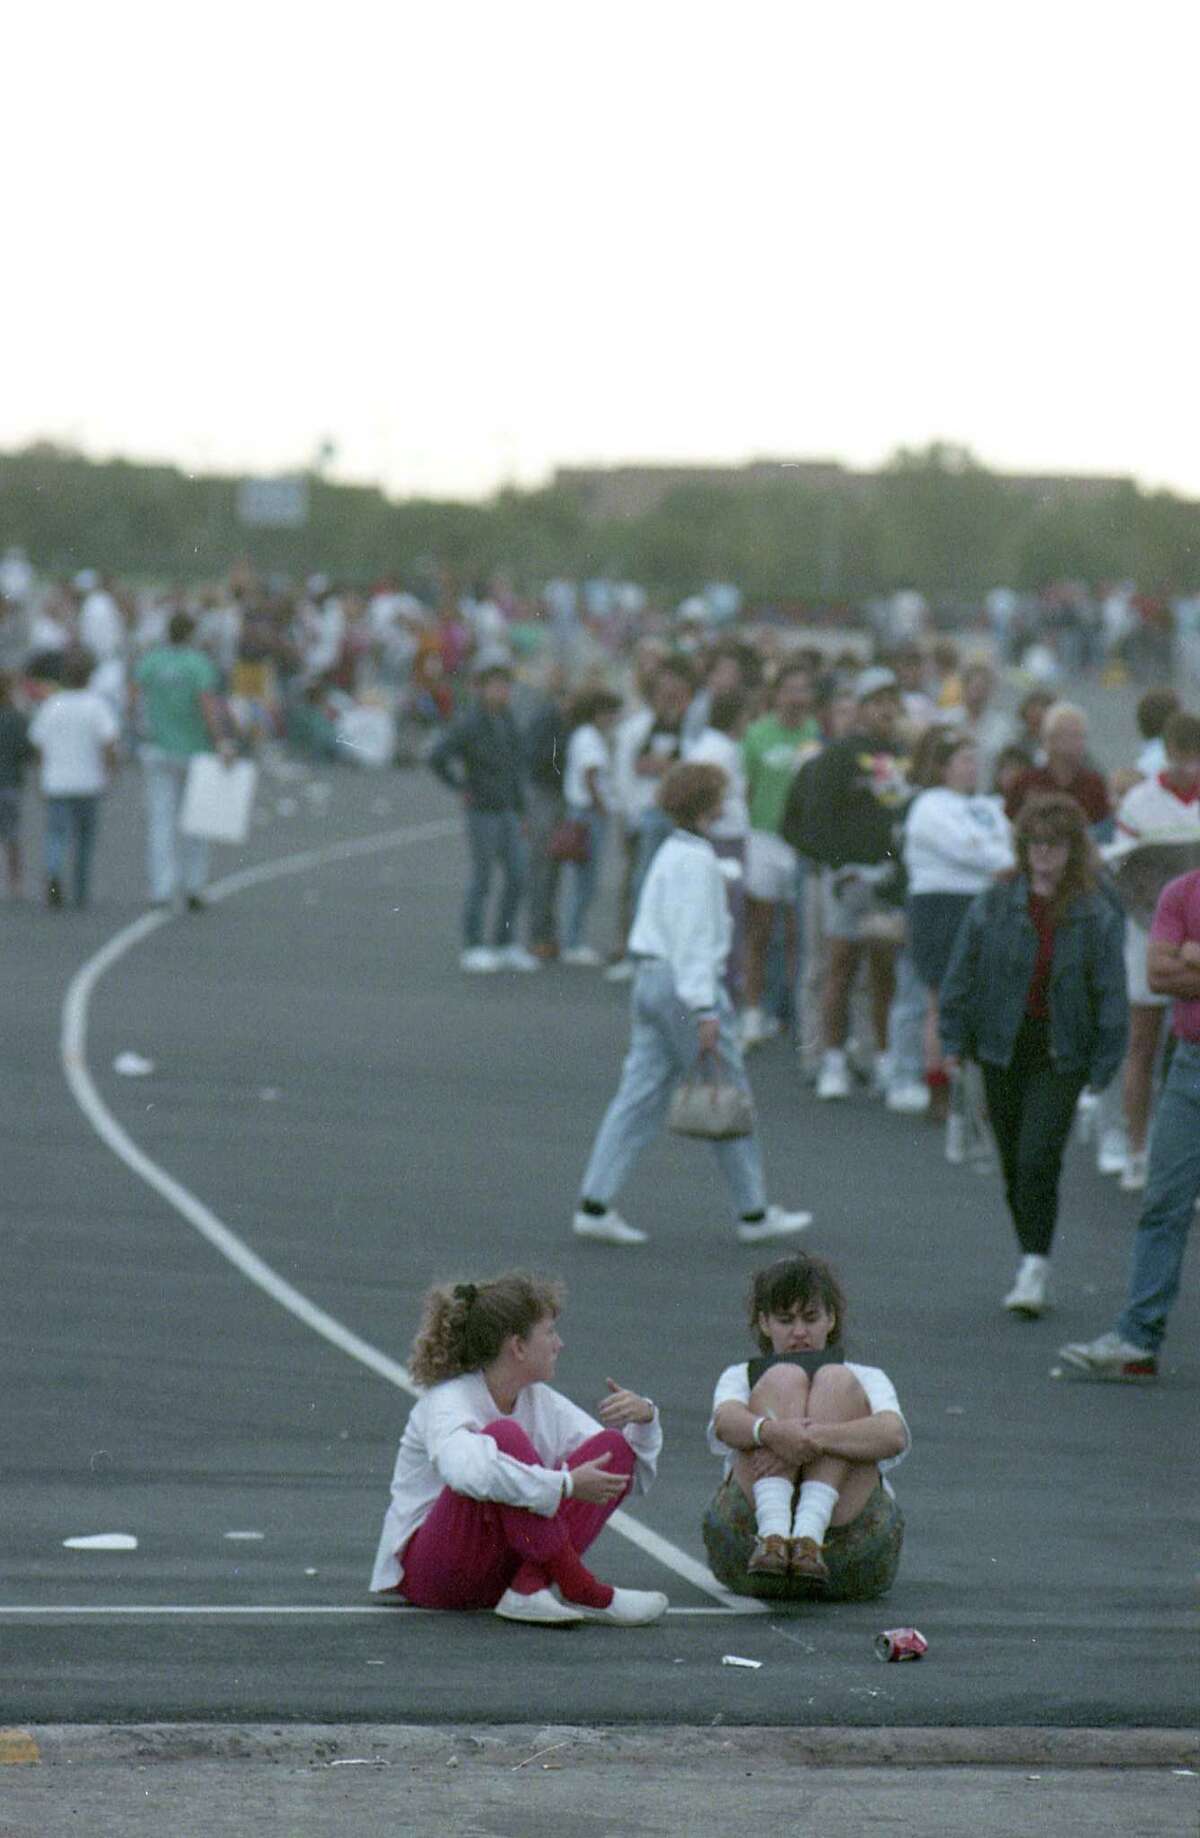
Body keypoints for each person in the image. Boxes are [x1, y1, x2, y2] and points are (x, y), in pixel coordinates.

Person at [573, 762, 812, 1247]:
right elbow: (695, 941)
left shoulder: (672, 852)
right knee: (727, 1090)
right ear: (708, 806)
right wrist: (705, 1008)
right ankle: (753, 1211)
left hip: (651, 979)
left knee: (638, 1094)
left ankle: (595, 1201)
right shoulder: (698, 862)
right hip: (684, 987)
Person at [368, 1273, 667, 1625]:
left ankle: (528, 1588)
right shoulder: (448, 1401)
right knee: (504, 1439)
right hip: (436, 1577)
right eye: (550, 1332)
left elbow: (623, 1477)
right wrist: (564, 1484)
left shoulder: (543, 1403)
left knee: (614, 1447)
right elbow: (467, 1474)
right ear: (518, 1347)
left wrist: (645, 1420)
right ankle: (582, 1588)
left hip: (495, 1578)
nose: (560, 1344)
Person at [939, 794, 1128, 1318]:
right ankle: (1030, 1254)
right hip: (1000, 1046)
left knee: (1036, 1158)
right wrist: (952, 1041)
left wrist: (1105, 1064)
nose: (1044, 855)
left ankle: (1035, 1265)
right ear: (1023, 847)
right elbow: (963, 969)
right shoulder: (997, 899)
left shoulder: (1096, 907)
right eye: (1035, 844)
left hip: (1061, 1050)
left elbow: (1112, 988)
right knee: (1011, 1162)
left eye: (1055, 845)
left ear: (1073, 850)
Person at [1059, 868, 1200, 1381]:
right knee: (1164, 1202)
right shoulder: (1181, 891)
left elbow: (1174, 968)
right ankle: (1138, 1337)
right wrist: (1180, 959)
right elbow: (1158, 975)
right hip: (1190, 1065)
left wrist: (1193, 955)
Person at [702, 1253, 909, 1598]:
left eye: (811, 1318)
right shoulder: (738, 1375)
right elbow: (726, 1424)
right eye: (785, 1320)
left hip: (850, 1555)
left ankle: (809, 1540)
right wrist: (771, 1433)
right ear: (764, 1323)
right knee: (782, 1376)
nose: (800, 1333)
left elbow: (893, 1434)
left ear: (831, 1319)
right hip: (747, 1554)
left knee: (835, 1381)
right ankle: (773, 1537)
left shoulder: (866, 1377)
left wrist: (807, 1440)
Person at [782, 667, 911, 1100]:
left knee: (883, 974)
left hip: (890, 881)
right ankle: (833, 1060)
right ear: (862, 708)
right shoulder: (838, 756)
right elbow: (814, 817)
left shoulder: (904, 755)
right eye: (877, 703)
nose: (886, 711)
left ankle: (884, 1061)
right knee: (840, 967)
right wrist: (838, 865)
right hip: (848, 879)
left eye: (893, 703)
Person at [1105, 711, 1200, 1190]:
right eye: (1181, 762)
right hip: (1150, 928)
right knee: (1142, 1042)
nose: (1189, 772)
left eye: (1195, 762)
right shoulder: (1141, 800)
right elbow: (1124, 869)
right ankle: (1136, 1148)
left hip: (1197, 935)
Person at [902, 732, 1014, 1109]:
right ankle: (938, 1082)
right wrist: (998, 861)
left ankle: (972, 1082)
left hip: (986, 903)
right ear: (943, 766)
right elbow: (963, 847)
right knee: (942, 997)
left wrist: (997, 859)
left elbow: (1003, 844)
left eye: (974, 759)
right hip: (941, 906)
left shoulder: (987, 806)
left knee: (983, 995)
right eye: (963, 760)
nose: (972, 767)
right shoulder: (929, 805)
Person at [429, 661, 537, 973]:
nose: (502, 692)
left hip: (508, 810)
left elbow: (516, 768)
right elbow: (438, 757)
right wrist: (461, 786)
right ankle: (473, 943)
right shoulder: (471, 723)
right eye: (496, 685)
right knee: (483, 877)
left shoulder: (507, 719)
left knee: (517, 875)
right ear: (482, 688)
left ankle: (505, 941)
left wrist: (521, 810)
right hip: (483, 811)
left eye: (505, 686)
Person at [739, 663, 821, 1048]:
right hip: (764, 838)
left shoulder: (815, 734)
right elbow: (747, 788)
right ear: (776, 694)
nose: (795, 697)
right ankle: (754, 1013)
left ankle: (790, 1014)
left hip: (800, 842)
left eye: (802, 689)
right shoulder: (757, 734)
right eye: (789, 688)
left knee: (795, 934)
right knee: (759, 931)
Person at [132, 611, 232, 912]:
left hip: (158, 747)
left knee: (161, 820)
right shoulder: (199, 664)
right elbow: (207, 705)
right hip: (194, 748)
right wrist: (221, 741)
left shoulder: (151, 661)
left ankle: (161, 888)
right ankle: (194, 884)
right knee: (197, 820)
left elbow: (133, 696)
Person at [28, 647, 119, 909]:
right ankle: (80, 889)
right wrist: (110, 770)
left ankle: (54, 876)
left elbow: (38, 742)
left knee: (55, 834)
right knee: (85, 839)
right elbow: (109, 741)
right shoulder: (97, 705)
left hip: (57, 781)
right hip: (88, 781)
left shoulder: (52, 704)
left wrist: (42, 772)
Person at [559, 689, 623, 966]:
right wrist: (601, 807)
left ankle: (573, 938)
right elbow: (590, 775)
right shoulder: (589, 738)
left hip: (584, 811)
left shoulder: (586, 735)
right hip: (588, 813)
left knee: (583, 880)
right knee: (585, 881)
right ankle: (572, 941)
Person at [1004, 702, 1110, 830]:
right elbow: (1009, 826)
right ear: (1049, 739)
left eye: (1081, 736)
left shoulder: (1094, 784)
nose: (1079, 743)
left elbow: (1104, 830)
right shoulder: (1025, 783)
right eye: (1071, 735)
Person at [0, 670, 34, 897]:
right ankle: (15, 883)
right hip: (10, 782)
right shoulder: (17, 718)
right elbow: (27, 751)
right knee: (12, 836)